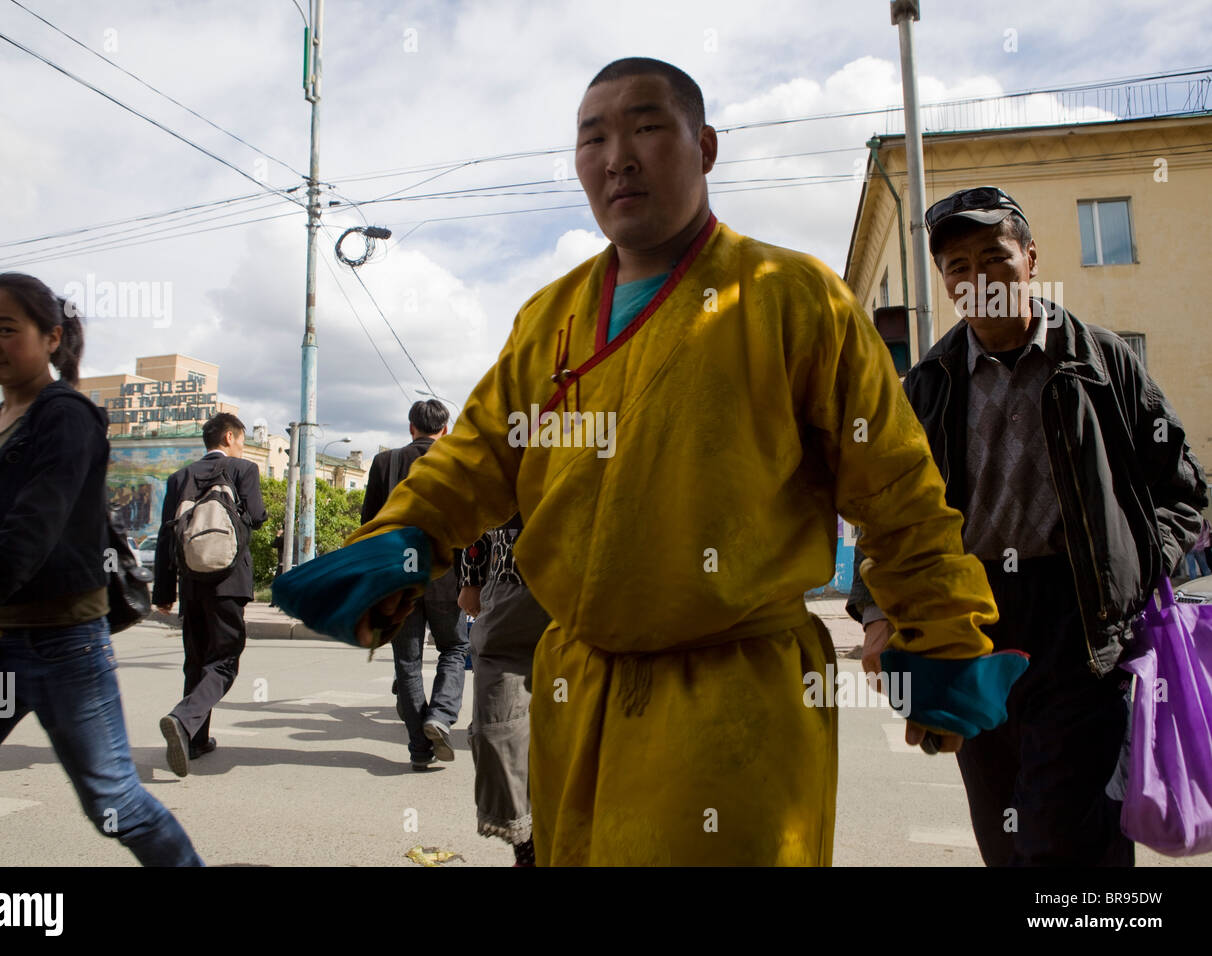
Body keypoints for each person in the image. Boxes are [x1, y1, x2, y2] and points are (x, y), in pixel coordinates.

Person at [296, 58, 1025, 866]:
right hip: (577, 690)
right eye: (592, 137)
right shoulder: (551, 318)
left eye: (645, 126)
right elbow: (472, 461)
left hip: (737, 698)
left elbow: (896, 488)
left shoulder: (793, 298)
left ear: (705, 146)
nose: (617, 156)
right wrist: (398, 543)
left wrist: (942, 631)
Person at [848, 186, 1209, 866]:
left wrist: (1135, 568)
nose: (977, 278)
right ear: (946, 282)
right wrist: (875, 614)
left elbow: (1182, 489)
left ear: (1031, 259)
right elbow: (886, 516)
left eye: (994, 256)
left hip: (1080, 618)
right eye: (957, 265)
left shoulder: (1101, 365)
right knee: (1004, 829)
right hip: (972, 625)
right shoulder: (929, 384)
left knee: (1068, 831)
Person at [0, 272, 201, 866]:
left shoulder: (67, 416)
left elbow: (27, 539)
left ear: (50, 337)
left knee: (112, 803)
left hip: (64, 643)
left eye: (5, 329)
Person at [153, 412, 267, 777]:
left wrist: (163, 590)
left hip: (191, 582)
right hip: (229, 582)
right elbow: (259, 516)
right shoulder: (243, 469)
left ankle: (196, 740)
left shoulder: (179, 477)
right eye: (241, 439)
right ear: (230, 437)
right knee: (224, 661)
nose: (242, 446)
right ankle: (183, 719)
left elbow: (166, 536)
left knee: (196, 660)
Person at [360, 399, 469, 771]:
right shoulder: (457, 463)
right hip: (445, 574)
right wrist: (474, 579)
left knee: (406, 660)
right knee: (454, 648)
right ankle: (440, 714)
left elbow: (370, 525)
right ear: (446, 430)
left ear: (411, 428)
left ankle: (419, 747)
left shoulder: (384, 463)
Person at [459, 515, 551, 866]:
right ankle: (528, 851)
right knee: (496, 726)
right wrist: (472, 576)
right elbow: (479, 496)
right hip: (512, 587)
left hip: (592, 582)